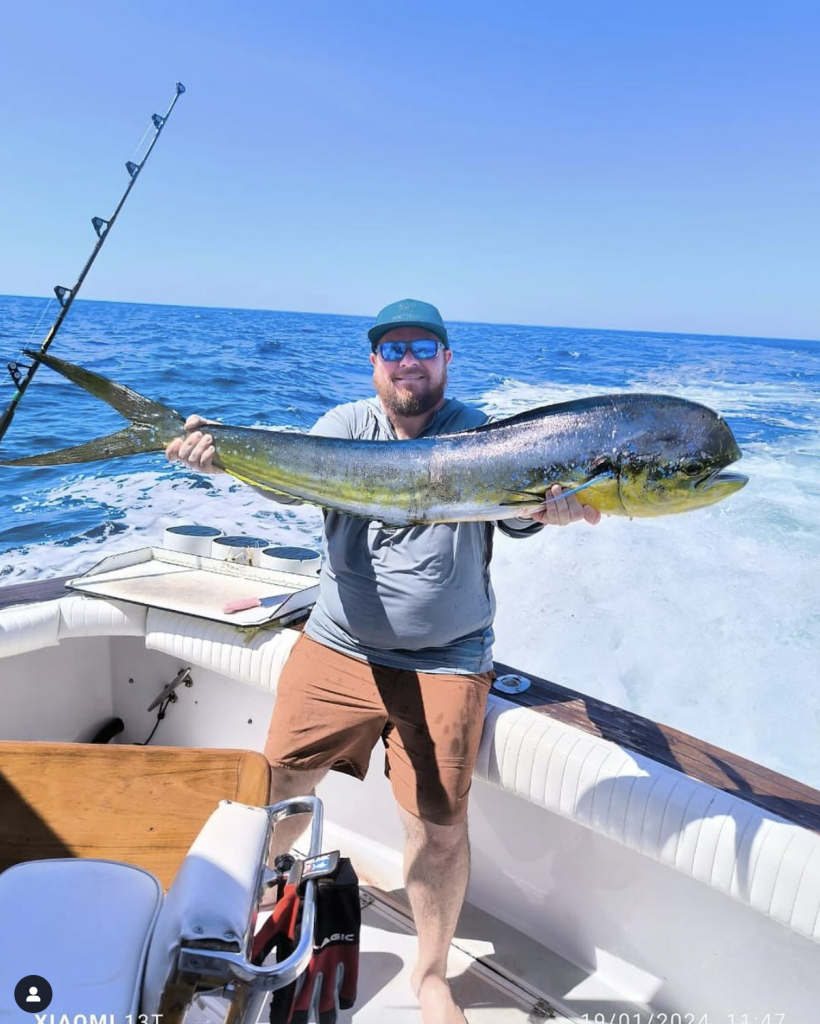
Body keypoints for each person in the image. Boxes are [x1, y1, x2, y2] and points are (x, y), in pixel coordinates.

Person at [166, 299, 600, 1024]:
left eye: (423, 348)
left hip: (447, 659)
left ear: (446, 360)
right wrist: (221, 456)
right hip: (338, 643)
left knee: (437, 828)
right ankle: (257, 899)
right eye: (393, 349)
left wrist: (550, 510)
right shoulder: (344, 426)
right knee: (279, 785)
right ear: (374, 363)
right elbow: (286, 476)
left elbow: (518, 509)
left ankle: (431, 976)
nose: (408, 361)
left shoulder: (482, 434)